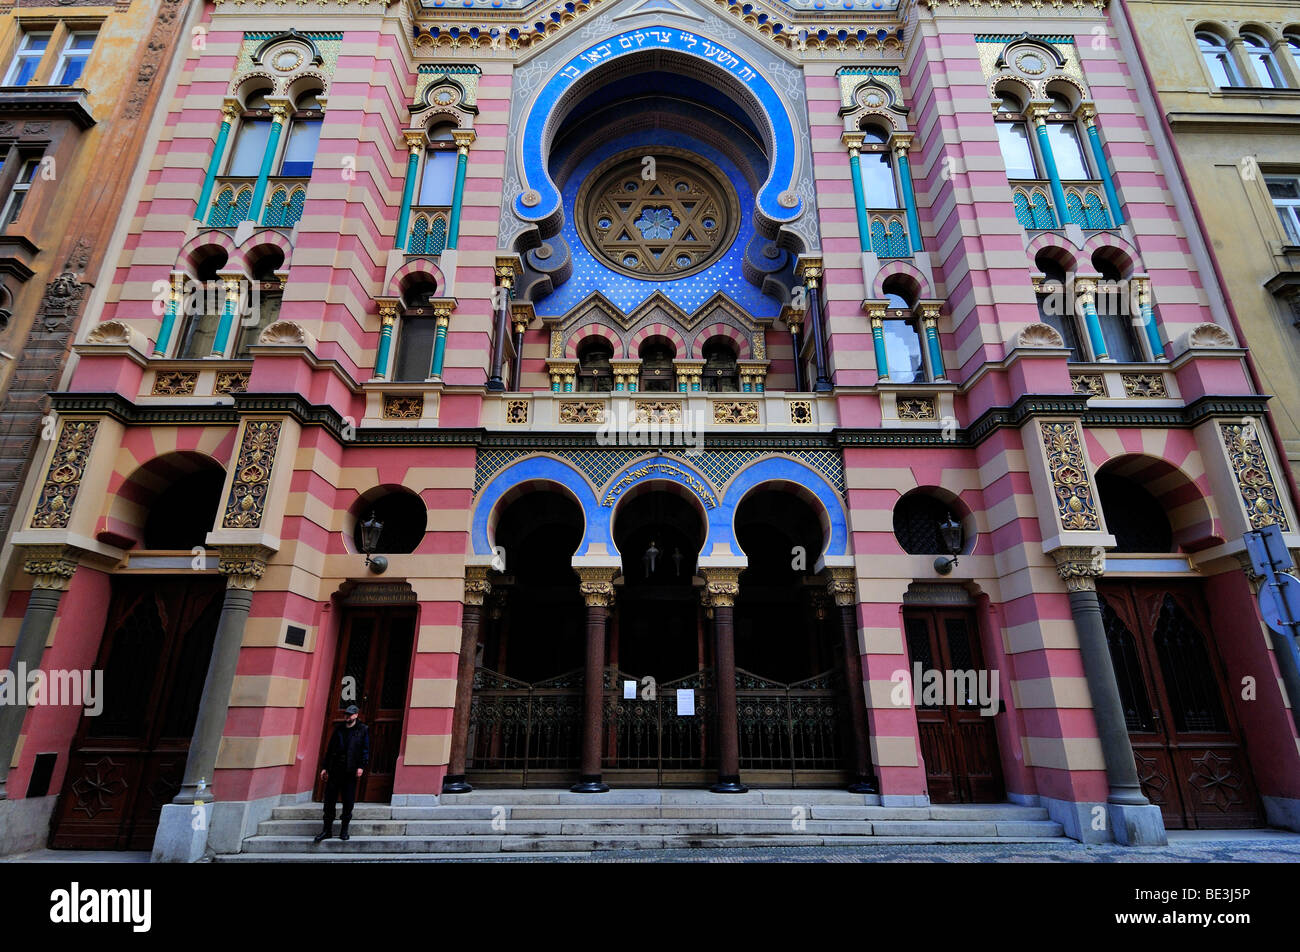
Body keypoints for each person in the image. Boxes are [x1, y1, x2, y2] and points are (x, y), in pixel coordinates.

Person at [315, 704, 369, 843]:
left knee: (348, 801)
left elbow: (365, 750)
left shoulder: (362, 730)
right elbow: (330, 749)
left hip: (350, 771)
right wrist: (325, 767)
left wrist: (361, 766)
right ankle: (327, 830)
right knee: (329, 802)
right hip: (335, 770)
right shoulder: (339, 729)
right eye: (346, 714)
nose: (348, 717)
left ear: (356, 715)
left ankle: (344, 830)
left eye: (350, 715)